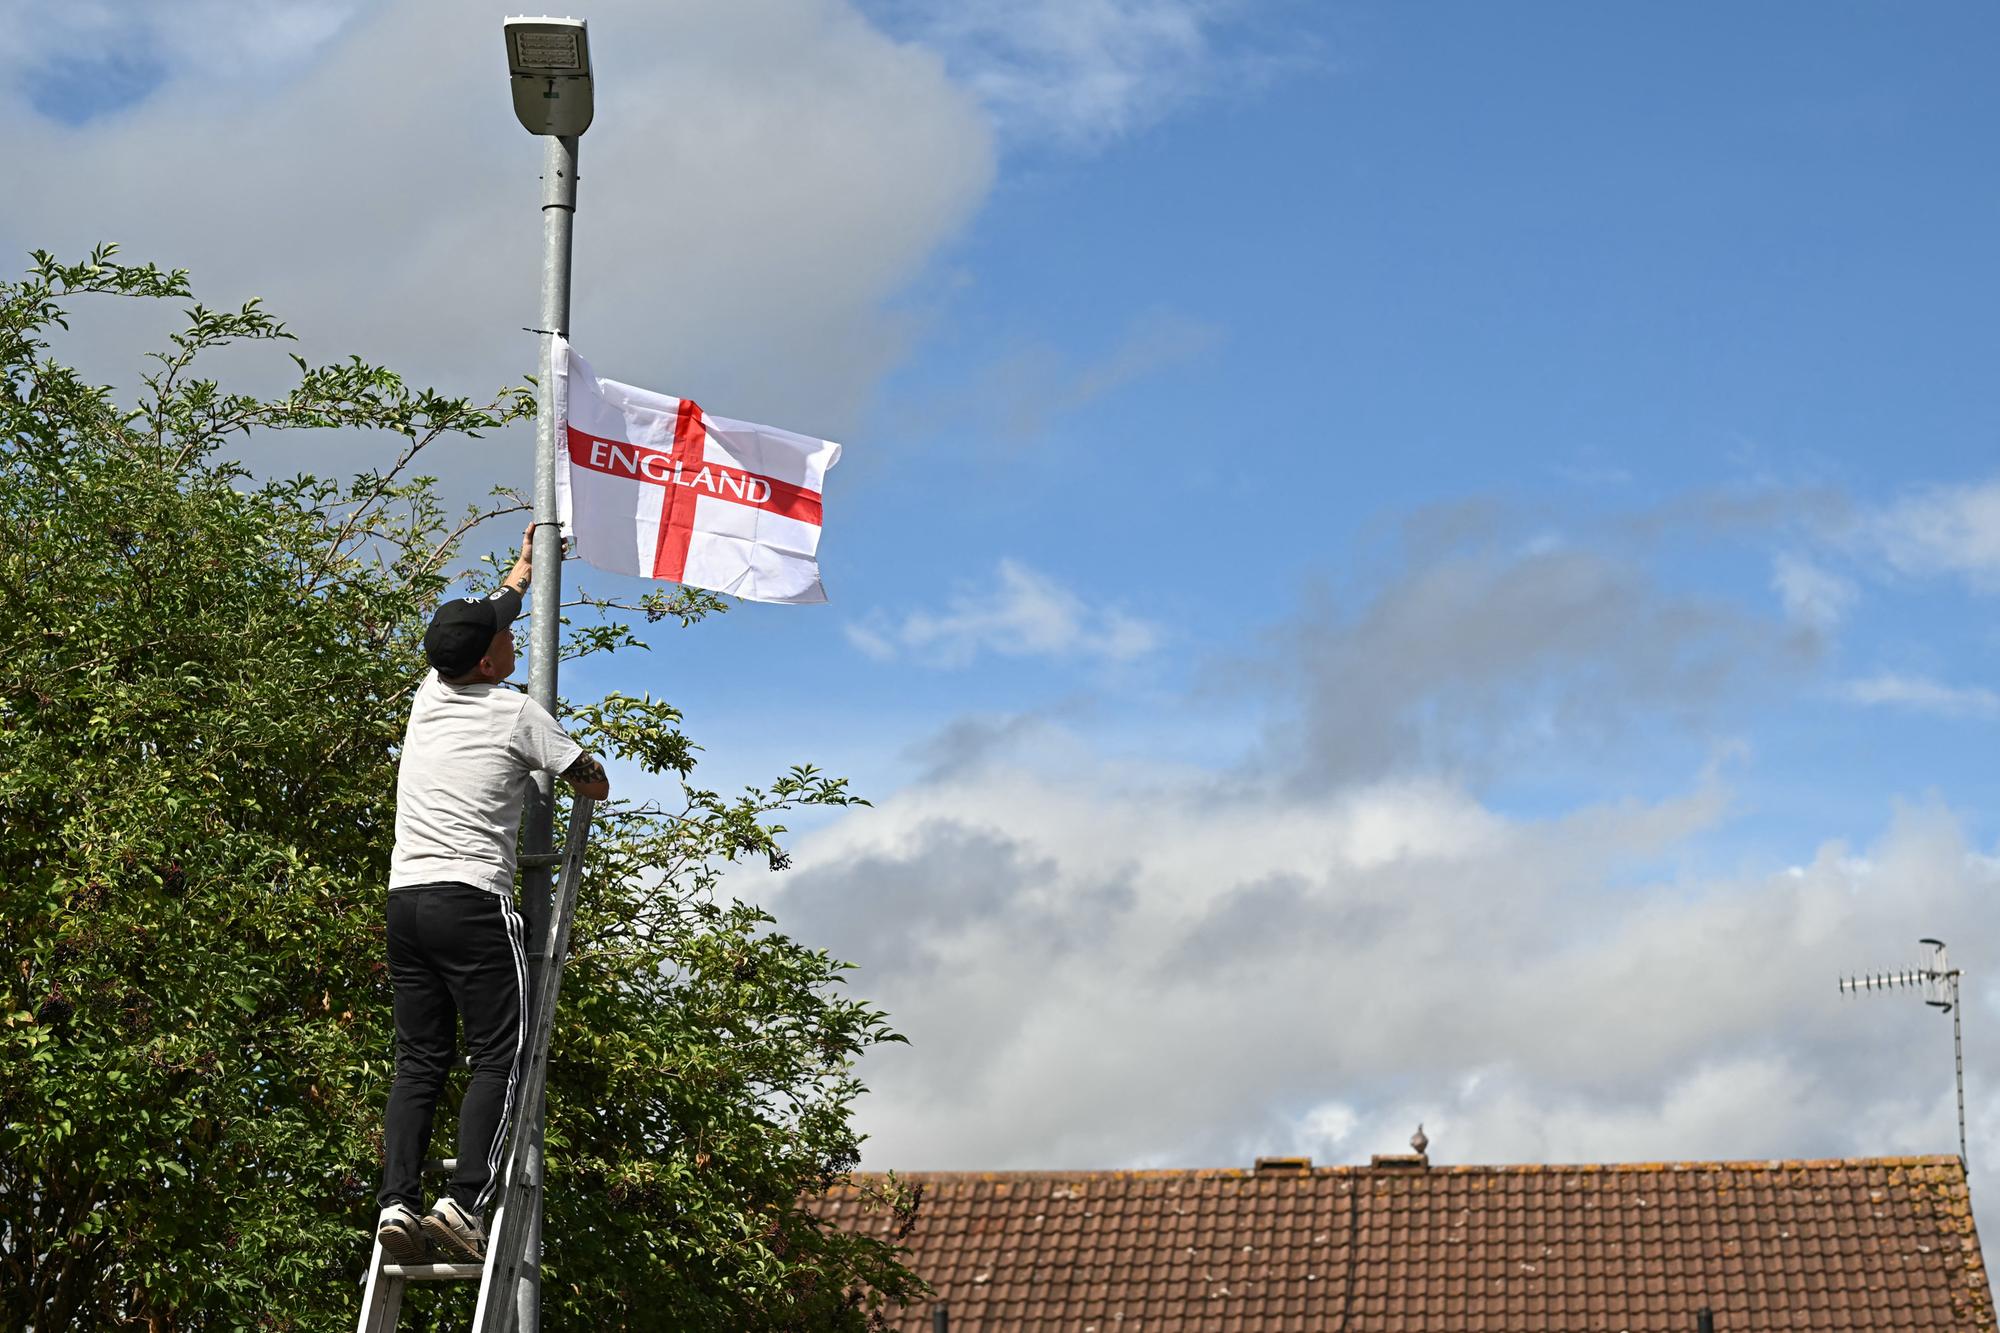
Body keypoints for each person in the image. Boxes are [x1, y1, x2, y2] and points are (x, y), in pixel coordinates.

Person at [373, 523, 611, 1265]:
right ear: (487, 660)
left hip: (405, 900)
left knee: (419, 1060)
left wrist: (521, 574)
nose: (516, 643)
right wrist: (577, 769)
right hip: (471, 901)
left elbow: (491, 616)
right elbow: (591, 780)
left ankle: (397, 1201)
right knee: (500, 1052)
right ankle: (465, 1201)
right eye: (504, 640)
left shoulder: (427, 693)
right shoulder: (515, 713)